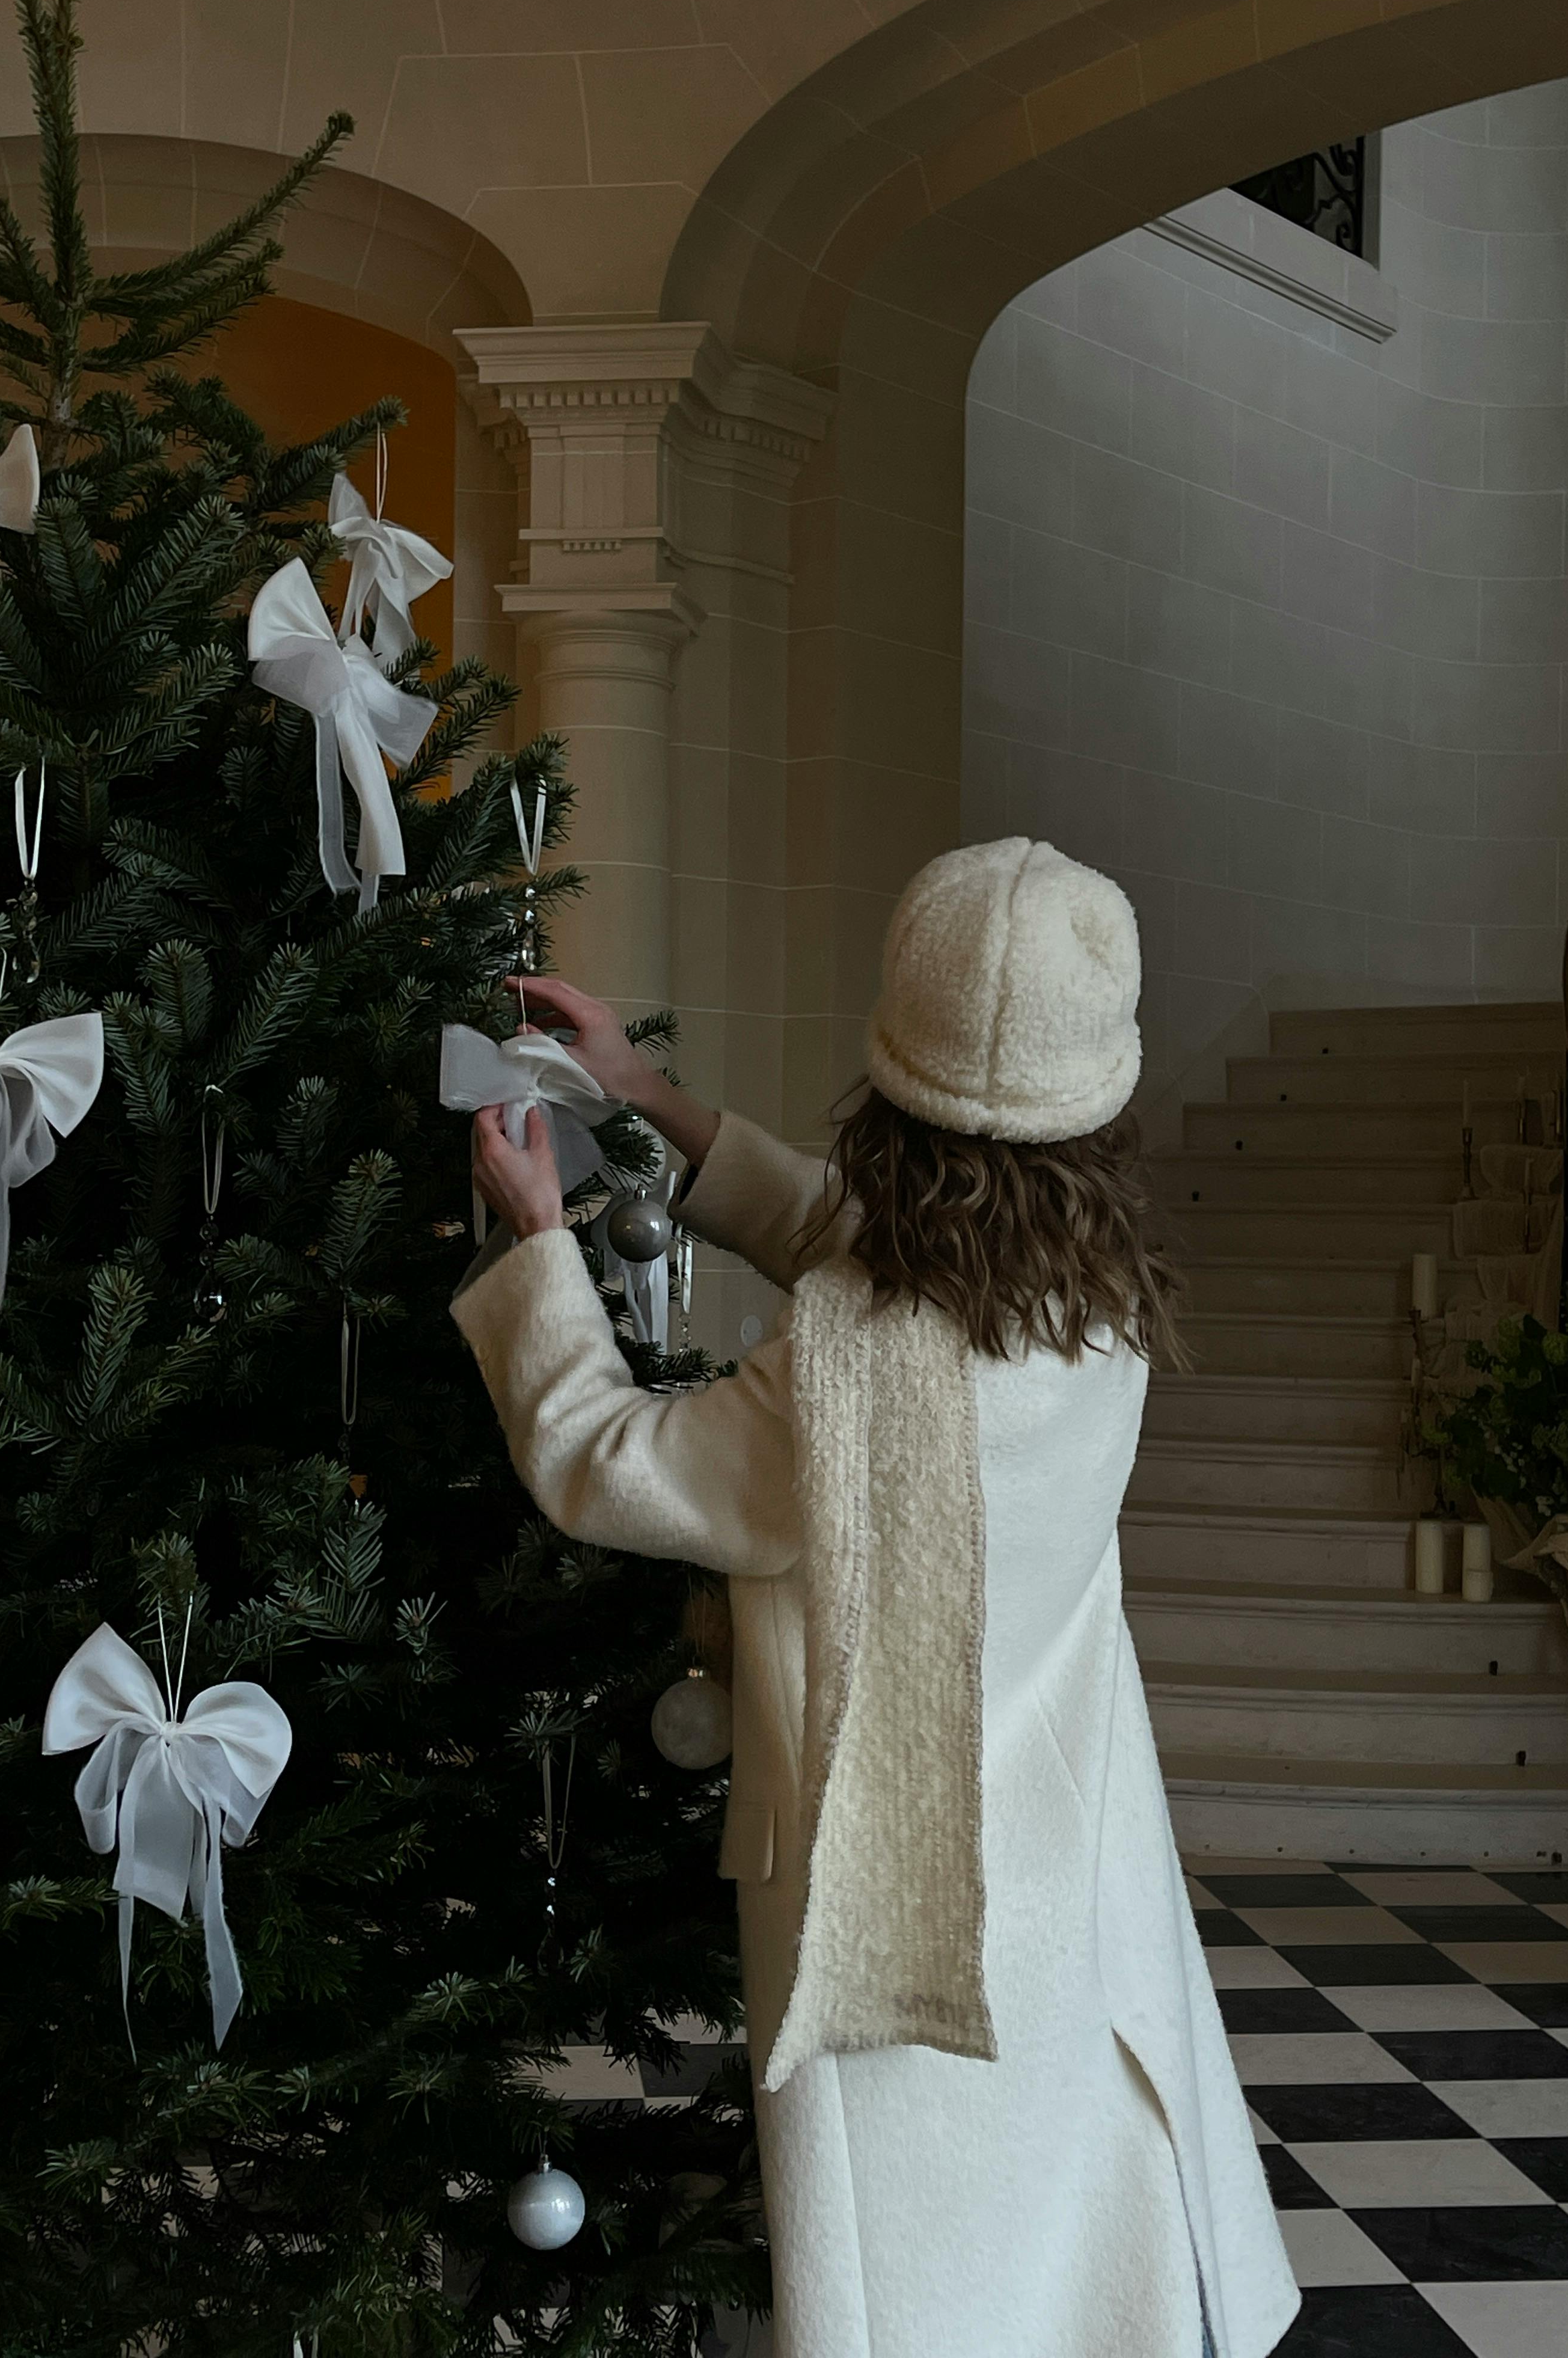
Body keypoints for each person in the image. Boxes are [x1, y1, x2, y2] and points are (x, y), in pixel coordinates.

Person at [456, 838, 1298, 2358]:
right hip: (1062, 1864)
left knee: (913, 2278)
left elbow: (605, 1459)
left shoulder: (849, 1373)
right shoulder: (1092, 1297)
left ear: (893, 1075)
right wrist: (644, 1094)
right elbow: (854, 1242)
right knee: (1075, 2221)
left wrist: (536, 1242)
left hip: (882, 1873)